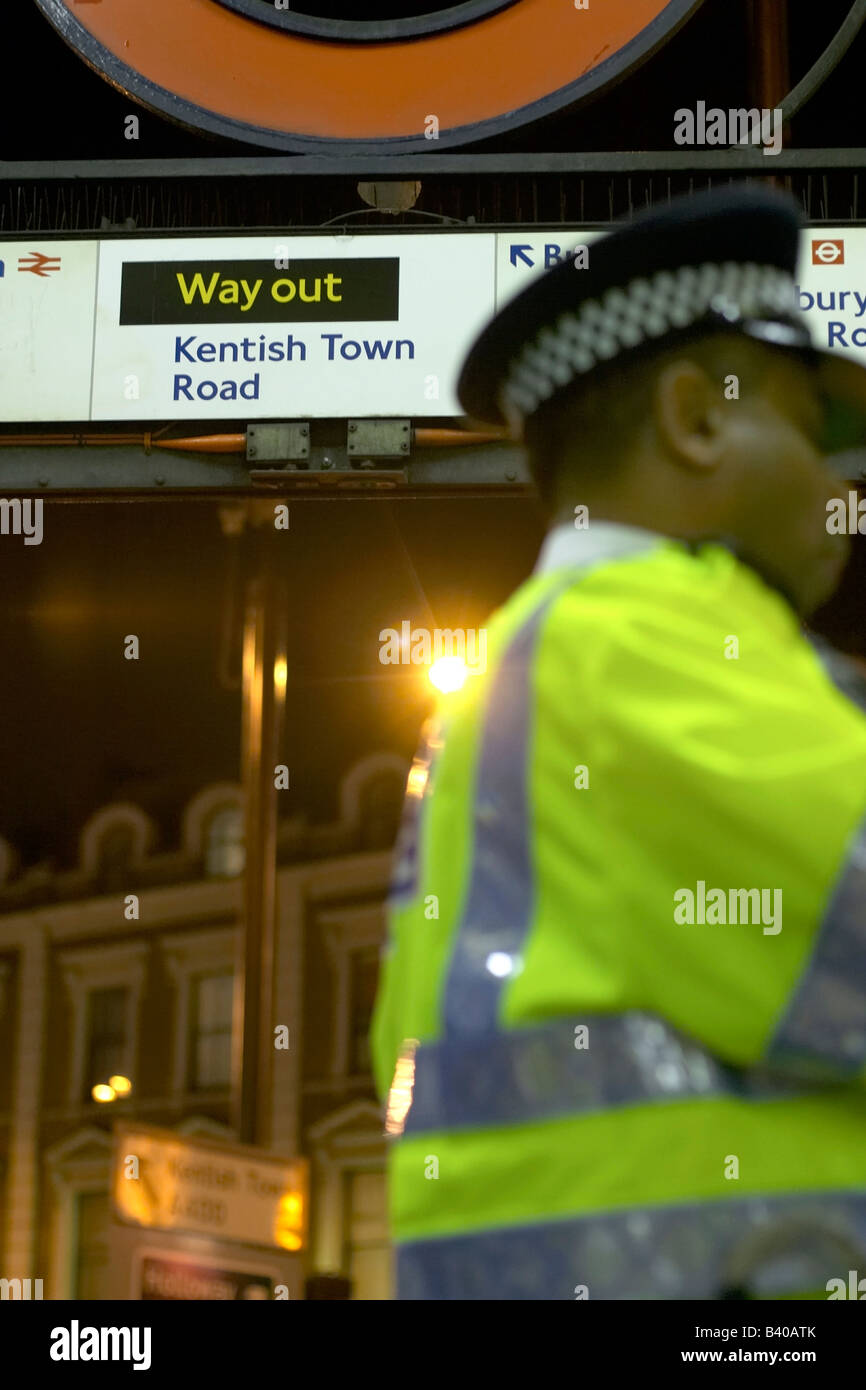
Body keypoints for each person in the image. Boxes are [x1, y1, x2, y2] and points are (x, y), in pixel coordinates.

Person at [370, 184, 866, 1299]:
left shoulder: (540, 662)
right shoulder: (636, 639)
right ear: (694, 419)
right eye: (807, 427)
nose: (840, 484)